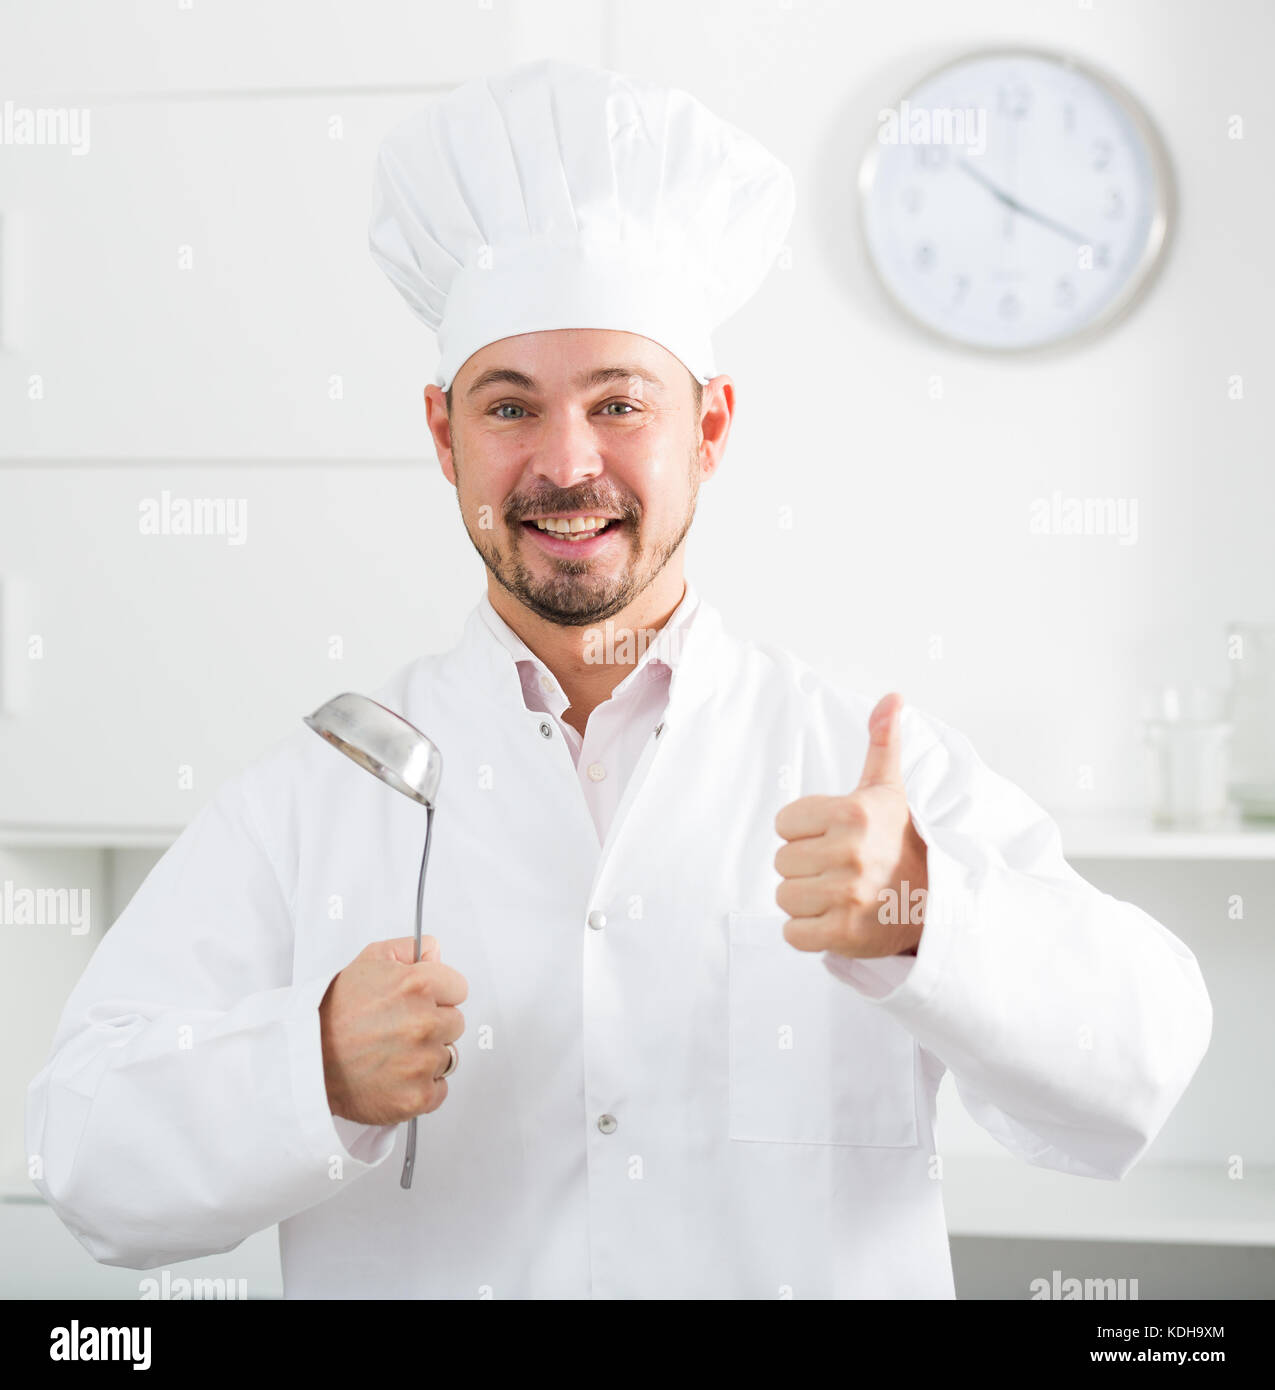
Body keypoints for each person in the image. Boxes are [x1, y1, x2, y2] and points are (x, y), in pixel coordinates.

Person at [27, 58, 1211, 1300]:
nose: (566, 463)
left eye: (620, 402)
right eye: (509, 407)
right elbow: (87, 1159)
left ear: (710, 428)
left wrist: (929, 914)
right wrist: (306, 1067)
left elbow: (1144, 1068)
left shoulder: (855, 766)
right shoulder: (327, 788)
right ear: (443, 436)